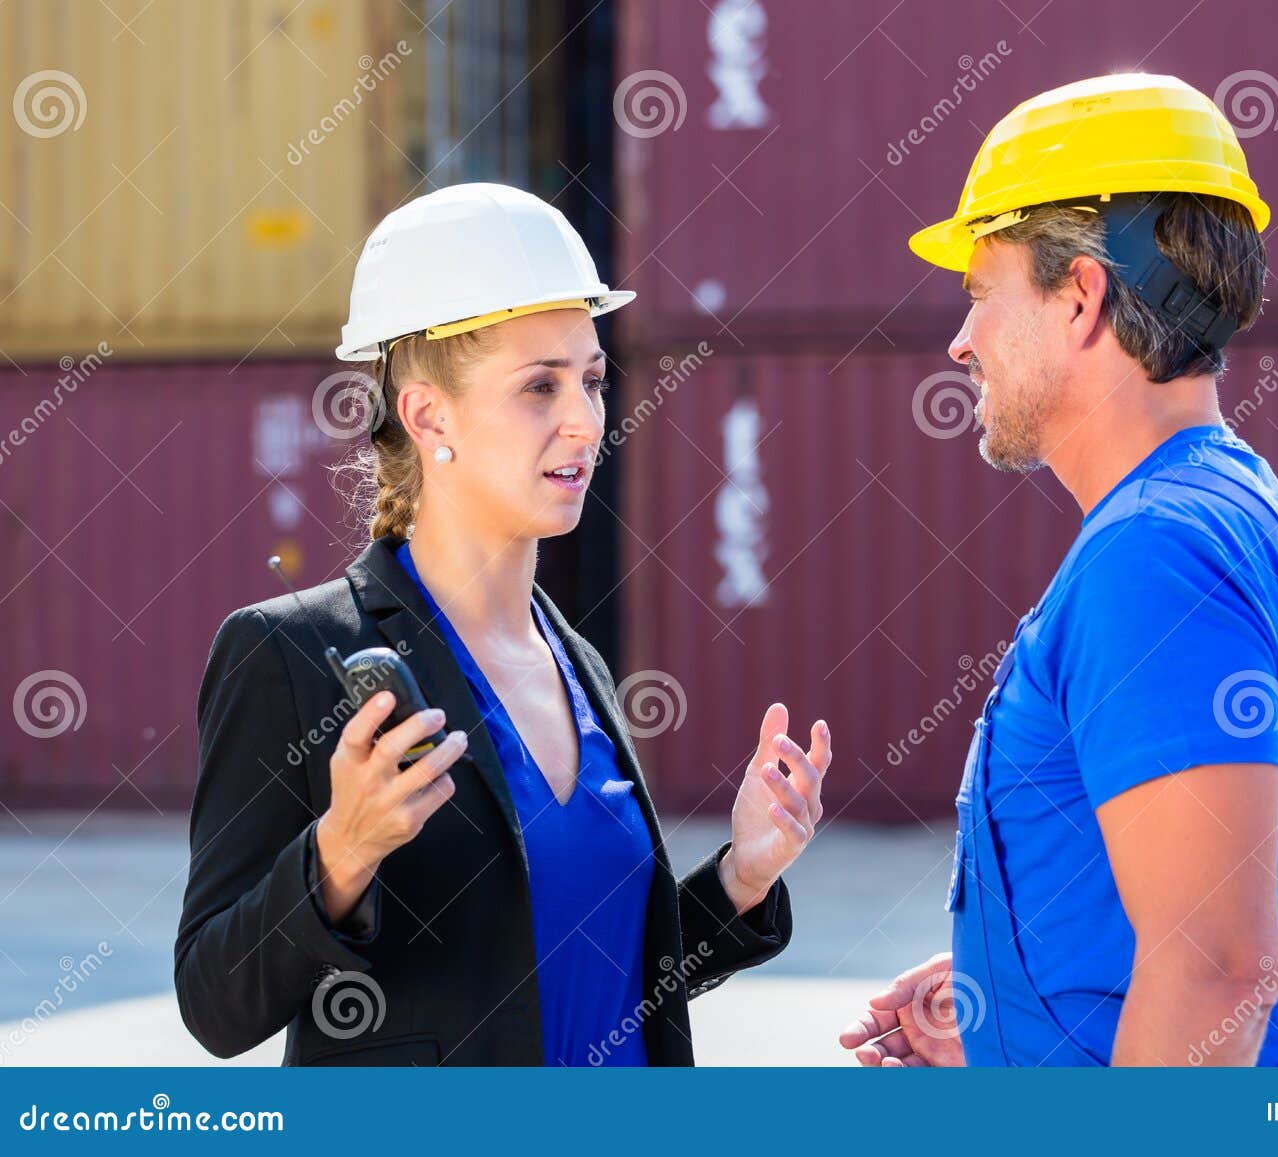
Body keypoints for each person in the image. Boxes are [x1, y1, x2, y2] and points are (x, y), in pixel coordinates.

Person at [176, 183, 829, 1066]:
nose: (585, 420)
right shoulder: (290, 655)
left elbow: (606, 976)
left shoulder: (579, 664)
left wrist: (744, 874)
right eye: (540, 387)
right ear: (427, 415)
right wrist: (342, 850)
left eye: (593, 380)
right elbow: (215, 1003)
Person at [840, 74, 1278, 1067]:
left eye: (980, 291)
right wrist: (1030, 996)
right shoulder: (1265, 526)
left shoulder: (1152, 559)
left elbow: (1218, 967)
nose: (960, 339)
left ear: (1079, 296)